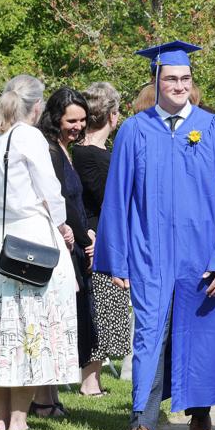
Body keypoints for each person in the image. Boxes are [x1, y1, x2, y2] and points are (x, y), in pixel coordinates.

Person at [94, 40, 215, 430]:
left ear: (191, 83)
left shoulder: (213, 129)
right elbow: (117, 200)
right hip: (149, 253)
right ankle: (141, 425)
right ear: (156, 82)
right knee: (148, 336)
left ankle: (200, 414)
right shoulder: (134, 131)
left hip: (203, 255)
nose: (178, 85)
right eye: (170, 78)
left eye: (185, 78)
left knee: (201, 334)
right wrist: (117, 260)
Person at [0, 74, 80, 430]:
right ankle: (18, 420)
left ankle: (2, 420)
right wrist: (63, 226)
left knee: (0, 328)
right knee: (29, 324)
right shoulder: (28, 137)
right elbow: (50, 189)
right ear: (37, 107)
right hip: (30, 235)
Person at [33, 87, 95, 417]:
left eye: (83, 120)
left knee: (62, 323)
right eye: (72, 120)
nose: (79, 126)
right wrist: (86, 240)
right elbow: (62, 203)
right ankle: (43, 400)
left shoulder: (64, 149)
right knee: (52, 322)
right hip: (61, 247)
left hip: (75, 243)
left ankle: (50, 396)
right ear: (56, 118)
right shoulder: (49, 150)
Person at [72, 82, 132, 396]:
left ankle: (92, 379)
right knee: (100, 311)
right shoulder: (93, 156)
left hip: (97, 238)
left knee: (102, 310)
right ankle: (89, 381)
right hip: (96, 241)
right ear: (111, 116)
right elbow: (112, 201)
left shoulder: (85, 152)